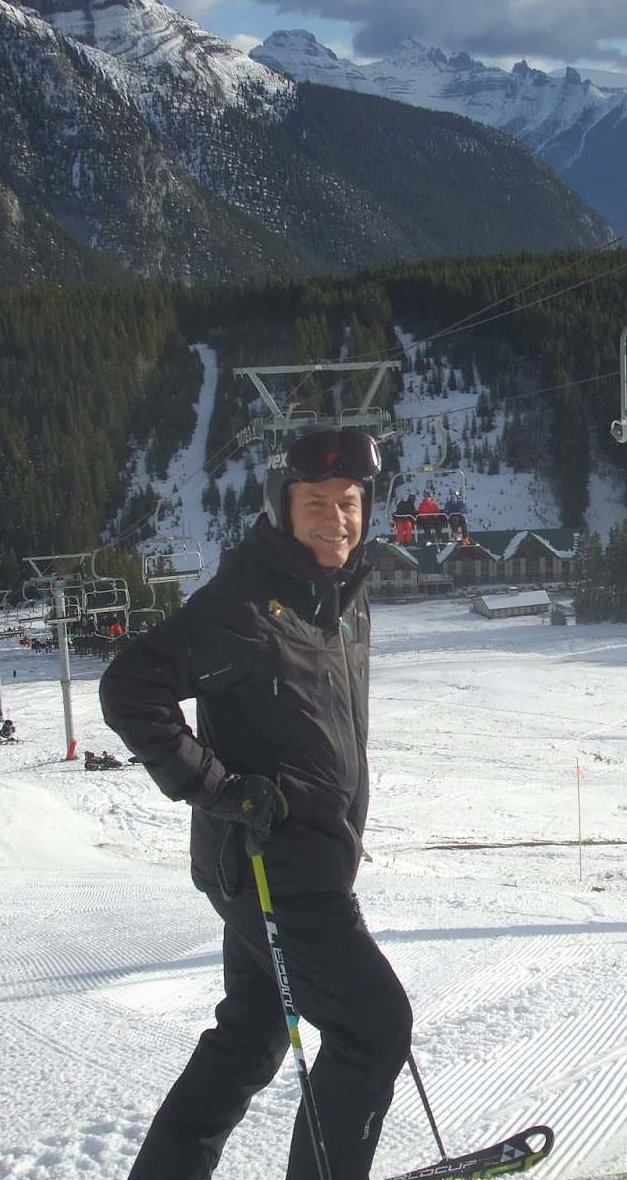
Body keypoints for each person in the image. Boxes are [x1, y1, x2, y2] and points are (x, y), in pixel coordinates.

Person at [100, 426, 412, 1180]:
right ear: (282, 507)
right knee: (374, 1028)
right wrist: (217, 788)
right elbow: (130, 687)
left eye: (347, 502)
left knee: (252, 1036)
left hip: (277, 866)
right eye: (315, 502)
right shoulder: (248, 602)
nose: (334, 517)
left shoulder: (339, 597)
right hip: (280, 866)